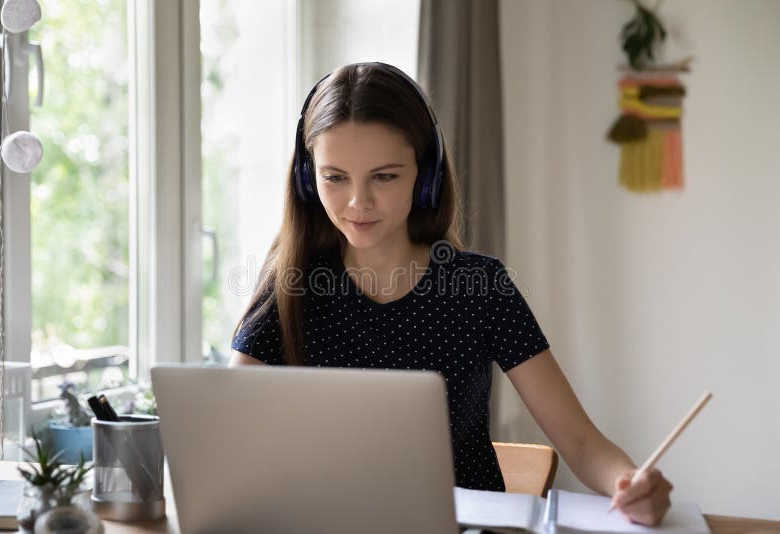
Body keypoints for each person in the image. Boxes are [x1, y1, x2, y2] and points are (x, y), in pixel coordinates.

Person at [229, 62, 673, 526]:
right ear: (306, 178)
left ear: (427, 178)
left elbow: (582, 443)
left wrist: (630, 481)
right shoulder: (288, 287)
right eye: (334, 177)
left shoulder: (482, 288)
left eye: (384, 176)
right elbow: (227, 436)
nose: (357, 202)